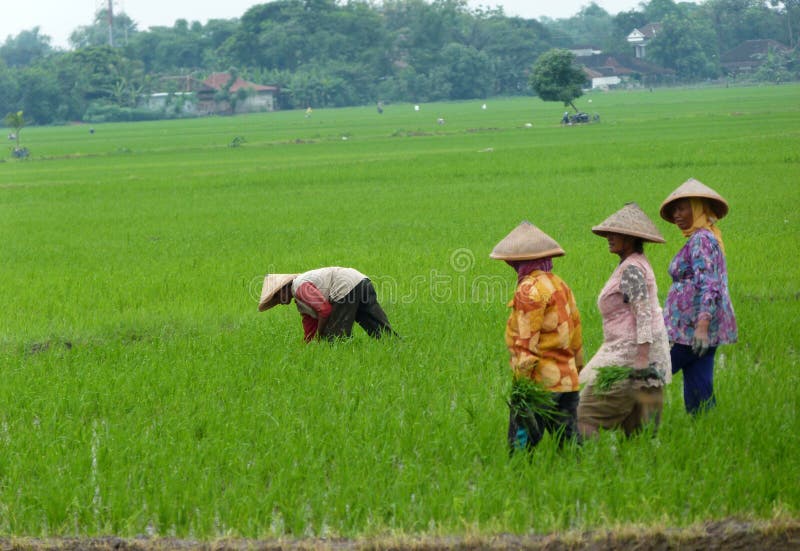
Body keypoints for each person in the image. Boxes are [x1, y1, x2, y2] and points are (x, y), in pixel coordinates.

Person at [577, 203, 672, 438]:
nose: (609, 238)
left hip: (629, 361)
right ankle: (624, 472)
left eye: (615, 233)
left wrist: (640, 361)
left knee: (584, 416)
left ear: (630, 238)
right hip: (644, 362)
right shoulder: (635, 263)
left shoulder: (632, 269)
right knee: (640, 437)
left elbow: (644, 314)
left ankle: (588, 468)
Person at [490, 221, 584, 453]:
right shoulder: (559, 284)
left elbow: (526, 345)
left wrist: (521, 387)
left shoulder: (528, 290)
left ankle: (519, 482)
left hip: (539, 383)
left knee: (521, 449)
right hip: (567, 380)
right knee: (571, 449)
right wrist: (577, 369)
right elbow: (576, 334)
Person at [660, 178, 737, 414]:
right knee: (700, 393)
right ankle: (705, 430)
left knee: (648, 378)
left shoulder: (702, 240)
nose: (676, 214)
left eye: (682, 208)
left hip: (691, 332)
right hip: (696, 332)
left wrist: (701, 327)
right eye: (674, 209)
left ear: (698, 209)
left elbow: (710, 284)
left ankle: (631, 432)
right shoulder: (705, 238)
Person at [258, 267, 396, 342]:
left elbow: (325, 310)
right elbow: (310, 326)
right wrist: (308, 344)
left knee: (334, 339)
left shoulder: (299, 287)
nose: (279, 302)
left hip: (345, 288)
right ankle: (397, 347)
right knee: (380, 329)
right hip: (361, 280)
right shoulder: (300, 300)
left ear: (284, 288)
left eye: (277, 296)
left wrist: (321, 335)